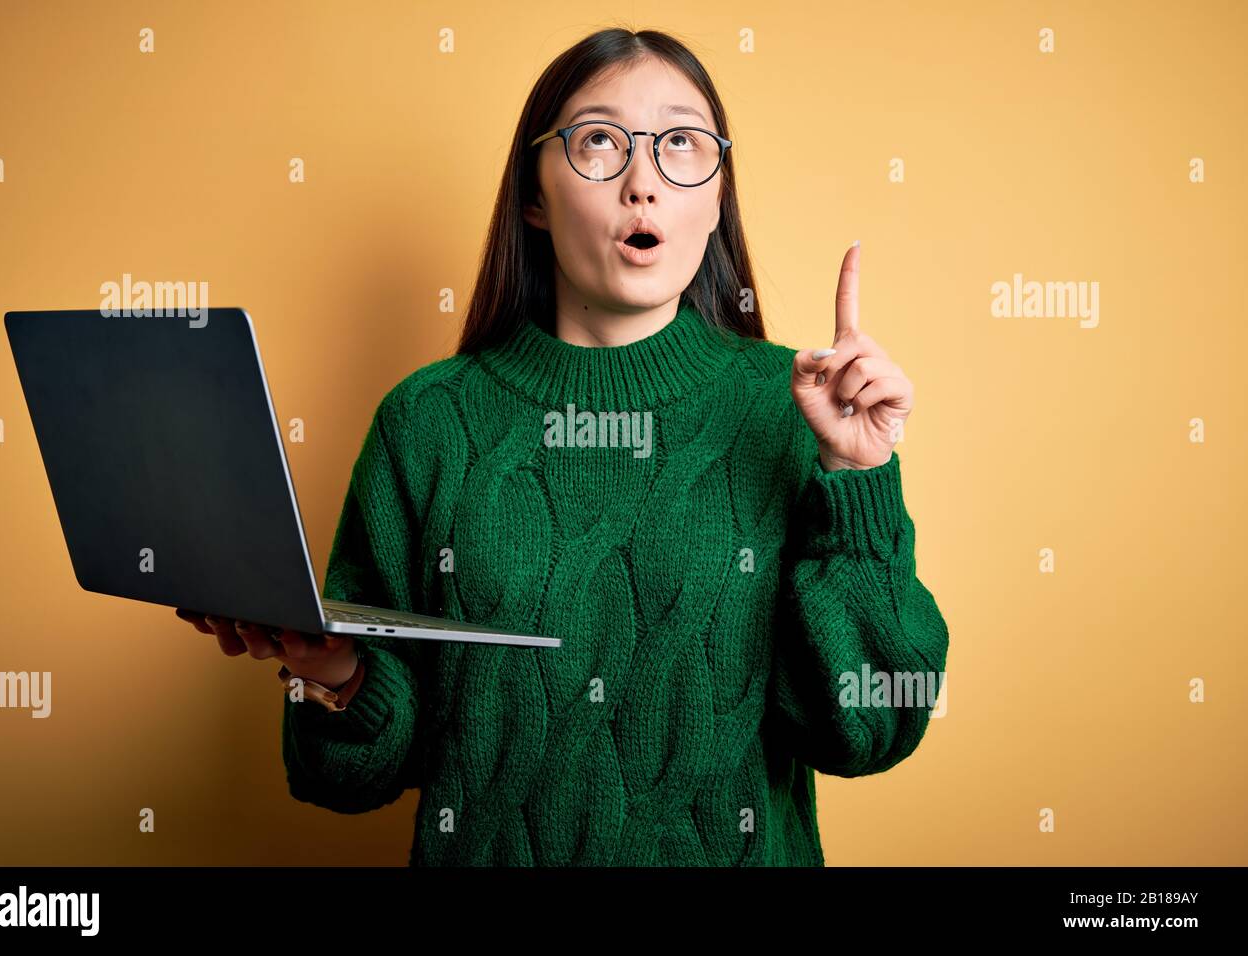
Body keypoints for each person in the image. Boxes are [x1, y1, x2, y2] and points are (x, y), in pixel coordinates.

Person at [179, 26, 949, 866]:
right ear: (534, 197)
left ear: (718, 194)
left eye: (682, 144)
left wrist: (858, 474)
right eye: (598, 143)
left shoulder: (800, 411)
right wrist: (333, 674)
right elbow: (347, 776)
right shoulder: (427, 422)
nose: (643, 183)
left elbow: (867, 728)